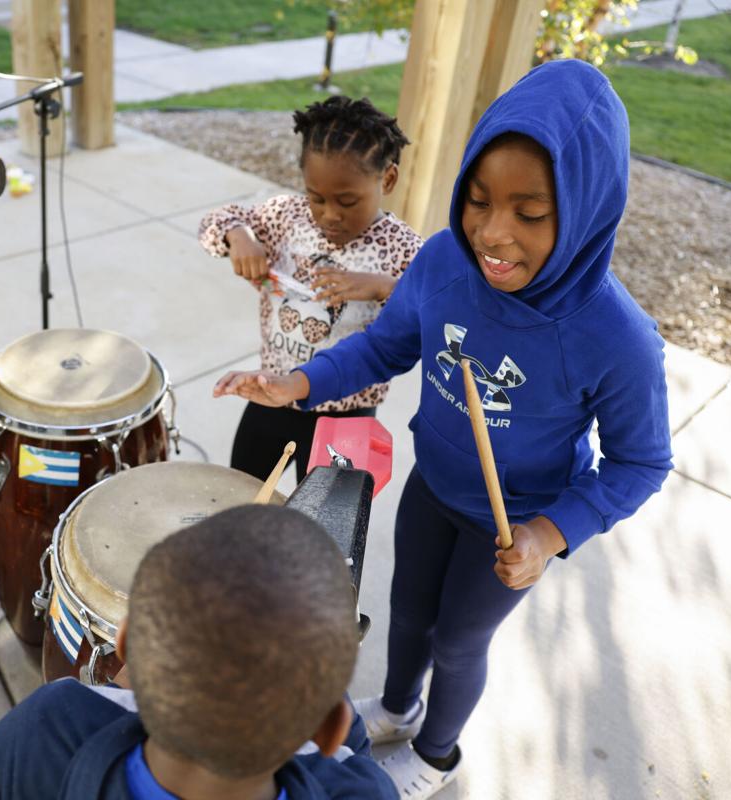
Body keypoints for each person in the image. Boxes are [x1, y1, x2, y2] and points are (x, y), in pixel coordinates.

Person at [214, 60, 674, 797]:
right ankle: (397, 707)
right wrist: (299, 384)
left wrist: (550, 536)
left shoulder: (617, 338)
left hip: (511, 522)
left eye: (530, 213)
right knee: (407, 612)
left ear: (588, 206)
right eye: (479, 200)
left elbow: (640, 463)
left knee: (459, 641)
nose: (493, 234)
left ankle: (436, 754)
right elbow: (383, 345)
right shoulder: (442, 263)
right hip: (436, 484)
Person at [0, 504, 397, 799]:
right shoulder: (360, 790)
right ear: (329, 727)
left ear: (124, 647)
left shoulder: (51, 726)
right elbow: (350, 757)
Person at [198, 96, 422, 484]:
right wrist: (240, 237)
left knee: (328, 528)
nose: (330, 215)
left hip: (347, 414)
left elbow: (431, 311)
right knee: (242, 499)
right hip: (272, 394)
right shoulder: (285, 217)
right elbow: (215, 221)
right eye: (317, 198)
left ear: (386, 179)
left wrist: (384, 288)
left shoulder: (402, 246)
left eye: (347, 201)